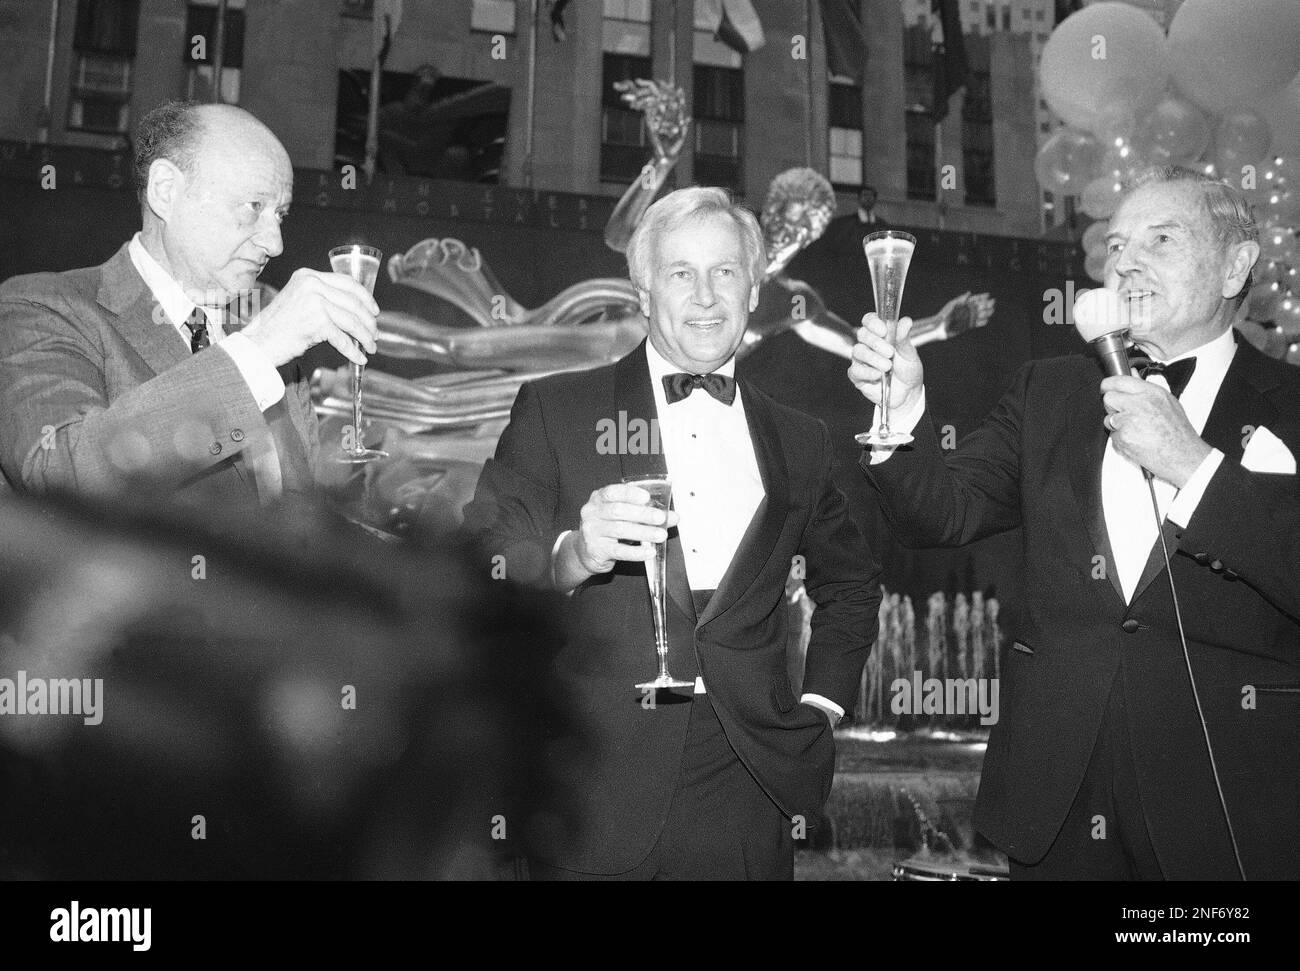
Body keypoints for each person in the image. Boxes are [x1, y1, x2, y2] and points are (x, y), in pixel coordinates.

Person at [849, 165, 1300, 880]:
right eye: (1116, 244)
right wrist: (901, 411)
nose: (1126, 261)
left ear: (1235, 265)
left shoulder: (1291, 403)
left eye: (1160, 238)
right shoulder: (1050, 390)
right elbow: (941, 512)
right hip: (1058, 795)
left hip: (1236, 801)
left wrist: (1194, 465)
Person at [463, 186, 880, 880]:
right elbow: (484, 561)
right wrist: (572, 555)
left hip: (748, 795)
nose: (706, 295)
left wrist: (821, 704)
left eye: (725, 272)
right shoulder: (556, 408)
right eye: (680, 272)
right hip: (591, 792)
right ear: (644, 291)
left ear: (754, 290)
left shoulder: (800, 440)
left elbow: (852, 584)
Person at [0, 101, 379, 507]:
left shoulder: (280, 363)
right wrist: (257, 351)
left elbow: (298, 522)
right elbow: (59, 478)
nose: (275, 243)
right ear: (166, 190)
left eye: (280, 215)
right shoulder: (42, 307)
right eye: (253, 207)